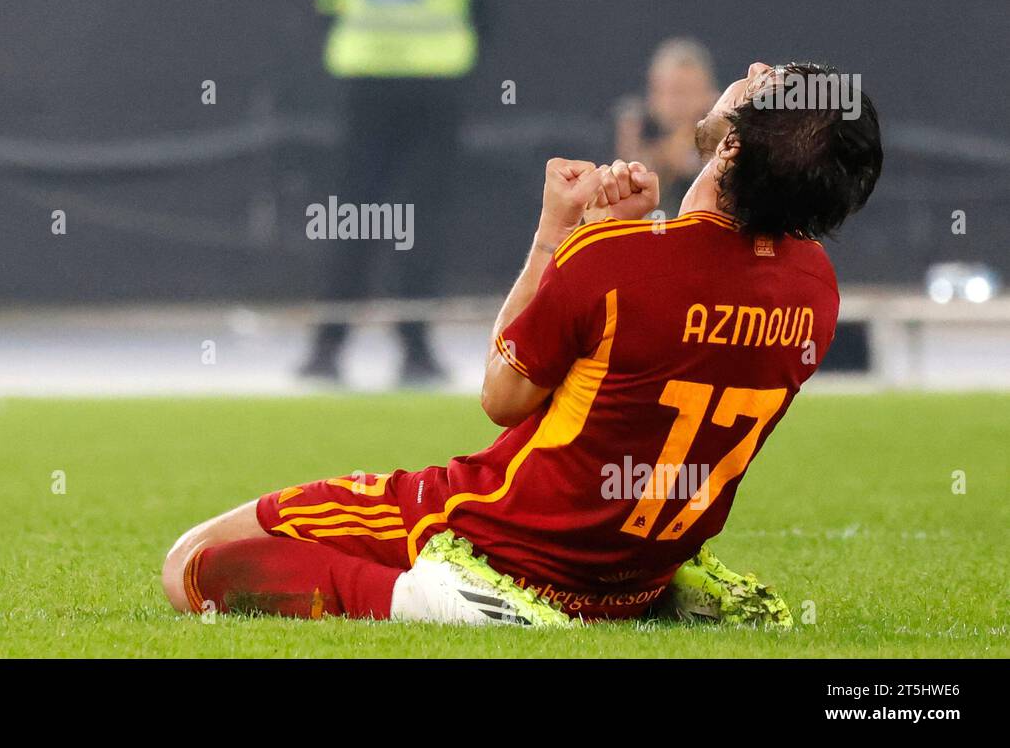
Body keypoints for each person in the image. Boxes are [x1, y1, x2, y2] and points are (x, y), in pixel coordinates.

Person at [165, 61, 882, 626]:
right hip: (632, 577)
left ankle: (438, 601)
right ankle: (635, 597)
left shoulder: (614, 257)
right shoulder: (815, 288)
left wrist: (557, 235)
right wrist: (630, 235)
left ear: (733, 144)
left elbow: (502, 398)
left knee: (191, 561)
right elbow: (671, 334)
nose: (754, 66)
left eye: (765, 81)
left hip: (508, 536)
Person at [298, 0, 487, 387]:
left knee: (356, 209)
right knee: (423, 216)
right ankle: (416, 350)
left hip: (366, 75)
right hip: (437, 79)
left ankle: (328, 347)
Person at [613, 38, 719, 216]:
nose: (678, 103)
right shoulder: (637, 126)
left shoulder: (723, 131)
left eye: (687, 92)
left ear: (709, 93)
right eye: (671, 92)